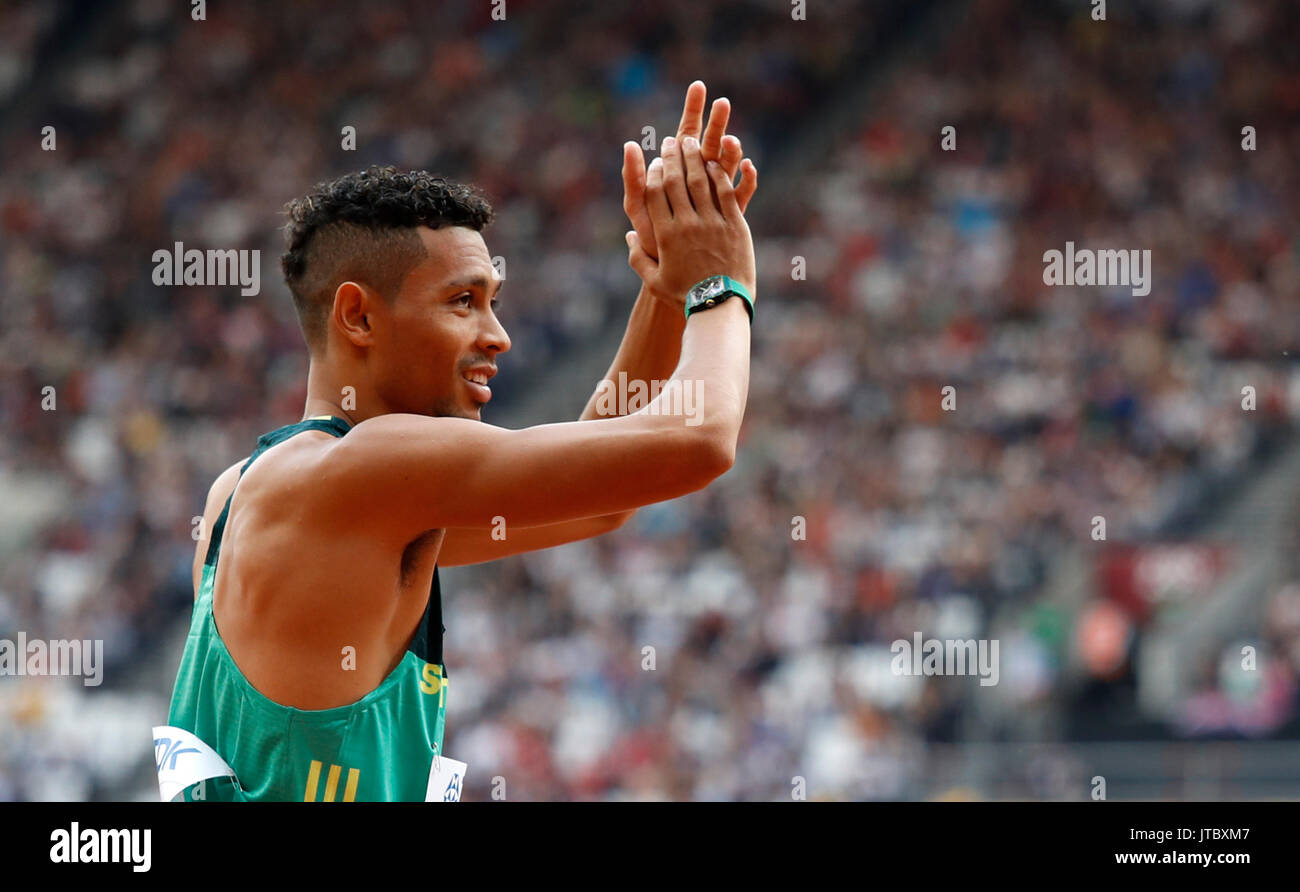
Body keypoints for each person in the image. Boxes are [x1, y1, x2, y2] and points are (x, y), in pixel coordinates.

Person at [160, 82, 760, 801]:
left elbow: (599, 504)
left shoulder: (253, 490)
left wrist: (662, 293)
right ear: (357, 315)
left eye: (492, 304)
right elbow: (700, 443)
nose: (497, 336)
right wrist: (719, 284)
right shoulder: (367, 470)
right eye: (463, 302)